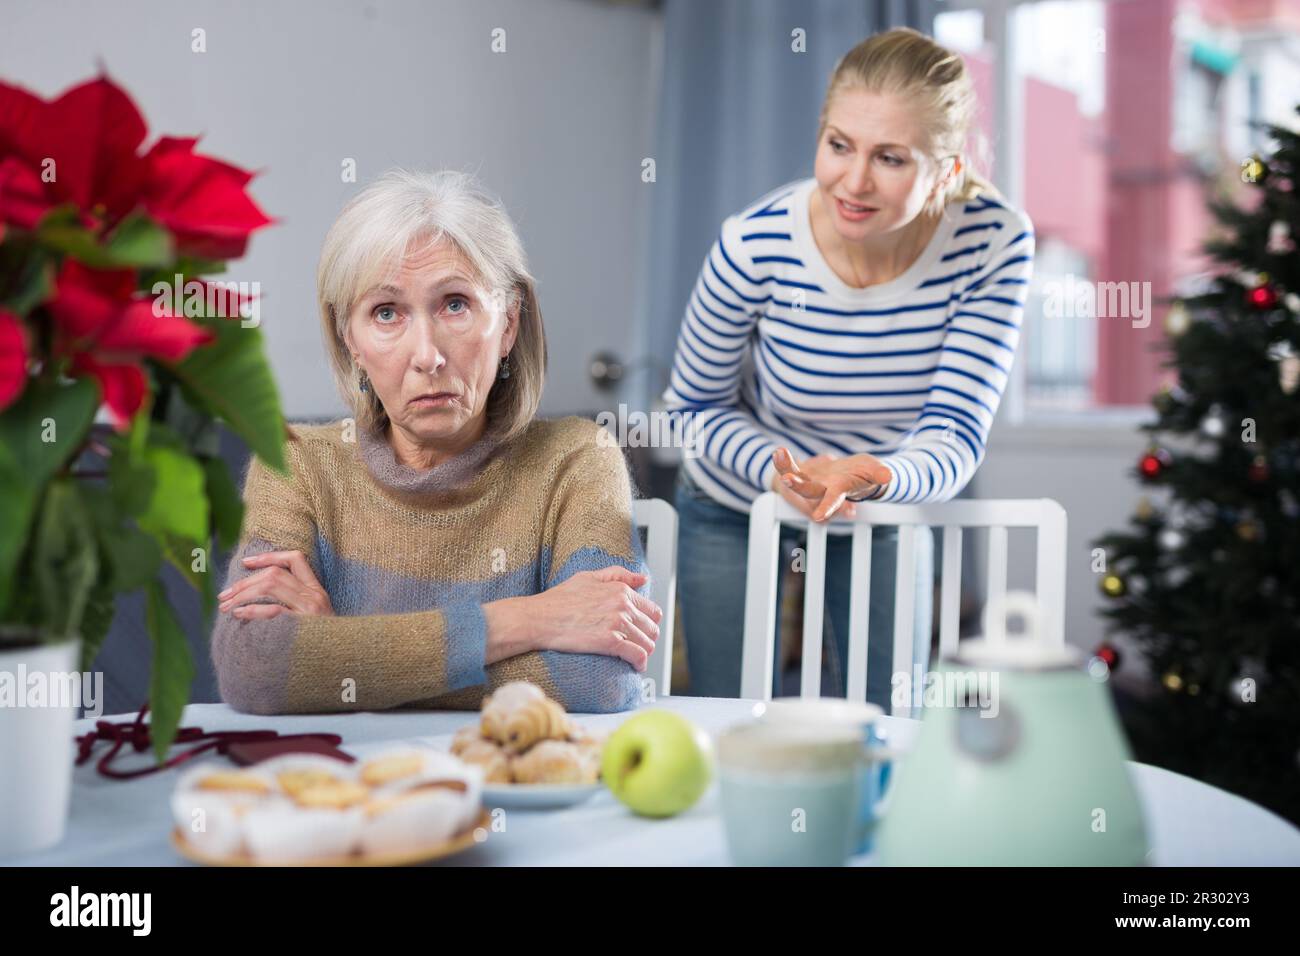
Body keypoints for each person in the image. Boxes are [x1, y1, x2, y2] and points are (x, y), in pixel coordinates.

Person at [664, 28, 1035, 705]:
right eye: (839, 146)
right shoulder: (754, 244)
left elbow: (955, 429)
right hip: (736, 498)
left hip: (883, 496)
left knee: (886, 717)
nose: (854, 182)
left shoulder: (994, 241)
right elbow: (692, 411)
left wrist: (874, 478)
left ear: (948, 171)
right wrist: (787, 474)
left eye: (890, 158)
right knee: (733, 719)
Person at [211, 169, 661, 715]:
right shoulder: (296, 463)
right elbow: (254, 668)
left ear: (509, 323)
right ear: (349, 339)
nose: (427, 354)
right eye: (386, 313)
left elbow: (599, 678)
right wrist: (530, 620)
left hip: (517, 785)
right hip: (352, 792)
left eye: (454, 304)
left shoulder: (577, 458)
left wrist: (343, 654)